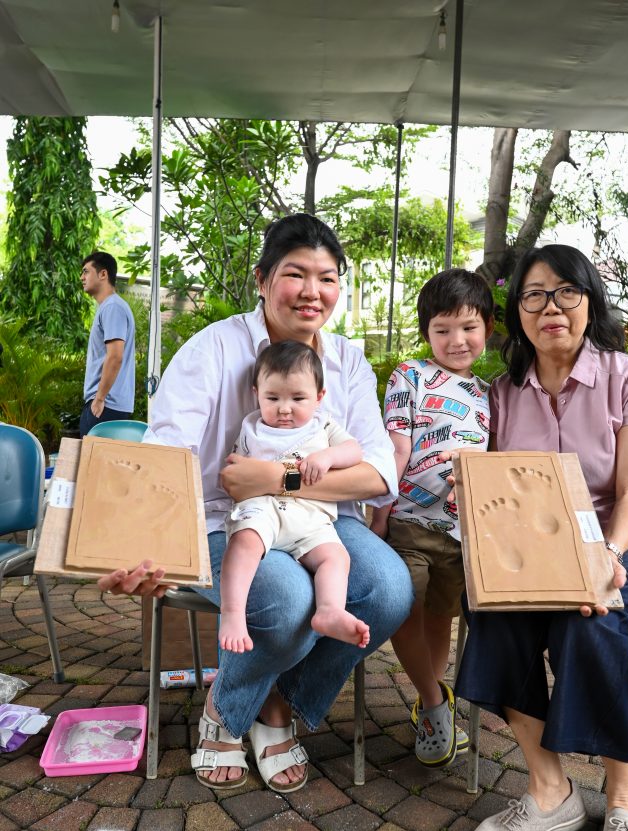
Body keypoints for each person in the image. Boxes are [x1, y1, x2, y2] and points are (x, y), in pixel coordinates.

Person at [97, 214, 413, 795]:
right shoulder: (213, 349)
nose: (313, 292)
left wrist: (274, 476)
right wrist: (138, 547)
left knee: (389, 590)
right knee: (285, 600)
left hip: (322, 520)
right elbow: (166, 457)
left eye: (327, 277)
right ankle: (244, 708)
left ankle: (272, 695)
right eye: (296, 274)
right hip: (223, 518)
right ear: (263, 280)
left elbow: (378, 473)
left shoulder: (346, 361)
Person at [452, 244, 628, 831]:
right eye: (533, 295)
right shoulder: (502, 391)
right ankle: (549, 790)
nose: (550, 307)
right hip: (532, 550)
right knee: (490, 612)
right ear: (516, 311)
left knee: (587, 623)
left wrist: (605, 557)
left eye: (564, 292)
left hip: (618, 538)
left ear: (589, 300)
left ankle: (624, 795)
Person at [371, 269, 494, 768]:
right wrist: (378, 516)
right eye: (442, 329)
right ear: (426, 333)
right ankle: (436, 702)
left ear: (487, 327)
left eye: (468, 327)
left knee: (439, 616)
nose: (455, 340)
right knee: (404, 607)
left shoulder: (493, 393)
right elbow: (395, 448)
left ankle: (428, 700)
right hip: (409, 523)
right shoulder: (411, 375)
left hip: (462, 534)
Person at [220, 339, 369, 653]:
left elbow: (354, 449)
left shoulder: (323, 426)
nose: (284, 408)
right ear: (255, 394)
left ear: (319, 397)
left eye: (298, 398)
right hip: (264, 509)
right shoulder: (251, 428)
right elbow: (235, 469)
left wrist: (327, 457)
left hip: (311, 516)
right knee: (243, 542)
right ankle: (232, 614)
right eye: (272, 397)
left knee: (336, 557)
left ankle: (329, 610)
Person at [80, 251, 136, 437]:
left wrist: (99, 398)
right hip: (107, 407)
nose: (82, 277)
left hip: (105, 408)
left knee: (94, 466)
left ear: (103, 274)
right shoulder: (110, 307)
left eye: (86, 271)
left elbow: (115, 356)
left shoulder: (112, 307)